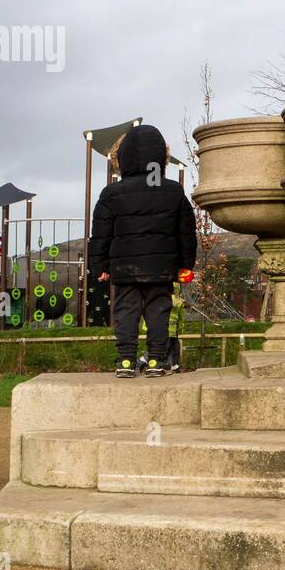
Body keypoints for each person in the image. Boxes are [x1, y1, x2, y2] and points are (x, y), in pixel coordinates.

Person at [89, 124, 196, 379]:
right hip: (161, 266)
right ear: (161, 158)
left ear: (122, 158)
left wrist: (100, 267)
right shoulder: (173, 191)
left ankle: (125, 361)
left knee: (126, 309)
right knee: (158, 309)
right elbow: (185, 232)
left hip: (124, 266)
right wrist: (185, 264)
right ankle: (157, 360)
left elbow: (101, 234)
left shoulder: (111, 193)